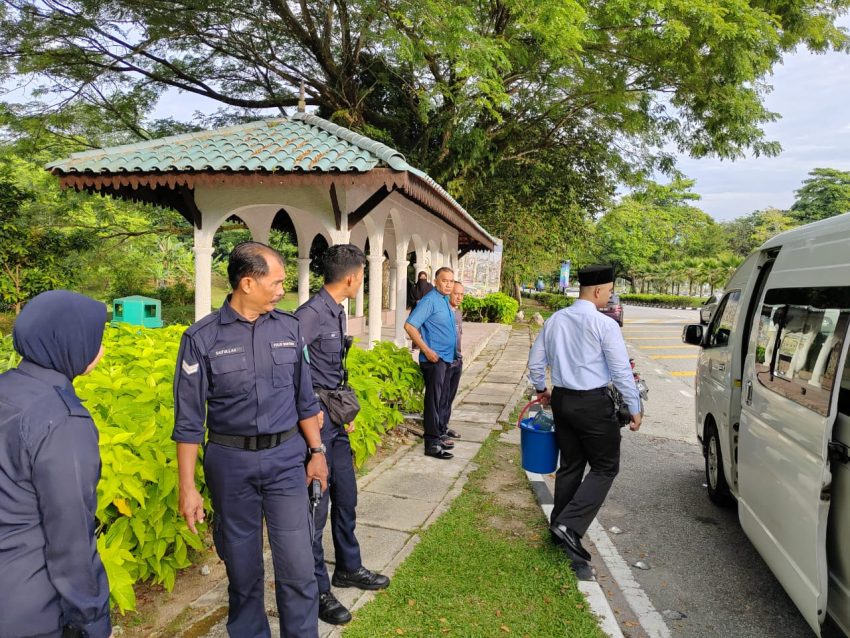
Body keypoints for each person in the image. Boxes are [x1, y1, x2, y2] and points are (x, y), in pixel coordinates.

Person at [173, 242, 327, 638]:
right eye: (276, 282)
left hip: (286, 462)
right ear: (247, 283)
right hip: (231, 465)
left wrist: (317, 452)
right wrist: (187, 487)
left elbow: (304, 399)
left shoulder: (290, 329)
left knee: (297, 567)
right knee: (242, 571)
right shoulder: (201, 338)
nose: (282, 289)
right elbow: (189, 421)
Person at [0, 290, 112, 638]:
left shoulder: (7, 390)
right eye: (95, 338)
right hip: (32, 607)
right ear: (70, 343)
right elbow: (70, 537)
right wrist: (92, 620)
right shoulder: (63, 420)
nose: (101, 349)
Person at [295, 244, 390, 625]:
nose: (361, 281)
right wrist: (310, 409)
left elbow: (332, 371)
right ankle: (317, 590)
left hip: (335, 422)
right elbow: (286, 364)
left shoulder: (336, 311)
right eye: (363, 275)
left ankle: (348, 567)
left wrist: (340, 406)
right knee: (316, 513)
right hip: (315, 429)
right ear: (352, 278)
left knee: (346, 499)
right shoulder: (310, 314)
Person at [527, 265, 641, 570]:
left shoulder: (555, 320)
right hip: (593, 403)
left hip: (562, 400)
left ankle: (557, 529)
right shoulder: (605, 325)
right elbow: (620, 371)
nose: (610, 296)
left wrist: (542, 390)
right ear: (598, 291)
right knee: (605, 467)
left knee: (571, 465)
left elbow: (536, 362)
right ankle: (569, 526)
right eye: (610, 291)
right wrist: (634, 405)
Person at [404, 267, 457, 460]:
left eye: (451, 281)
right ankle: (431, 443)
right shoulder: (429, 300)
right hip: (433, 360)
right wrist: (426, 350)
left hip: (445, 359)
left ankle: (438, 436)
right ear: (436, 281)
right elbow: (410, 326)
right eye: (445, 281)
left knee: (442, 400)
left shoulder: (444, 300)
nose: (448, 284)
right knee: (433, 402)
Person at [438, 281, 465, 440]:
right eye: (456, 293)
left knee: (449, 398)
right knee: (442, 397)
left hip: (457, 360)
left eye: (461, 294)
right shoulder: (441, 312)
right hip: (444, 360)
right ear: (449, 293)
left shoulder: (458, 313)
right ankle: (438, 430)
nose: (459, 297)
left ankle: (444, 426)